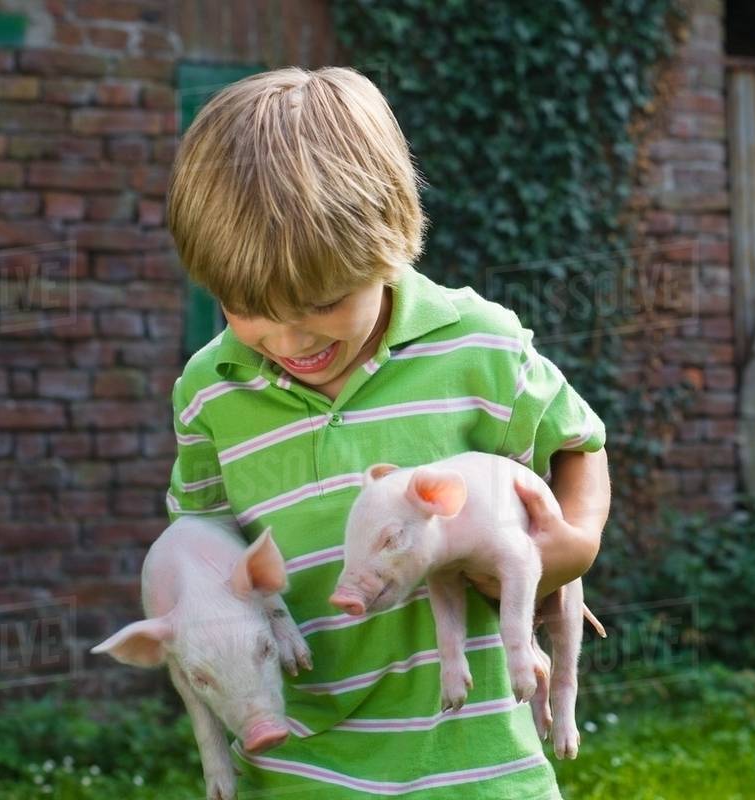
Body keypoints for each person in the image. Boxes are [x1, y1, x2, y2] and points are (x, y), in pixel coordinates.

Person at [163, 65, 611, 798]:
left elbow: (577, 445)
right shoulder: (209, 392)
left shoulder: (478, 345)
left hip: (478, 766)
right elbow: (201, 539)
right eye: (248, 306)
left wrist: (577, 540)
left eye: (325, 301)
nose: (287, 336)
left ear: (389, 242)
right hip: (299, 766)